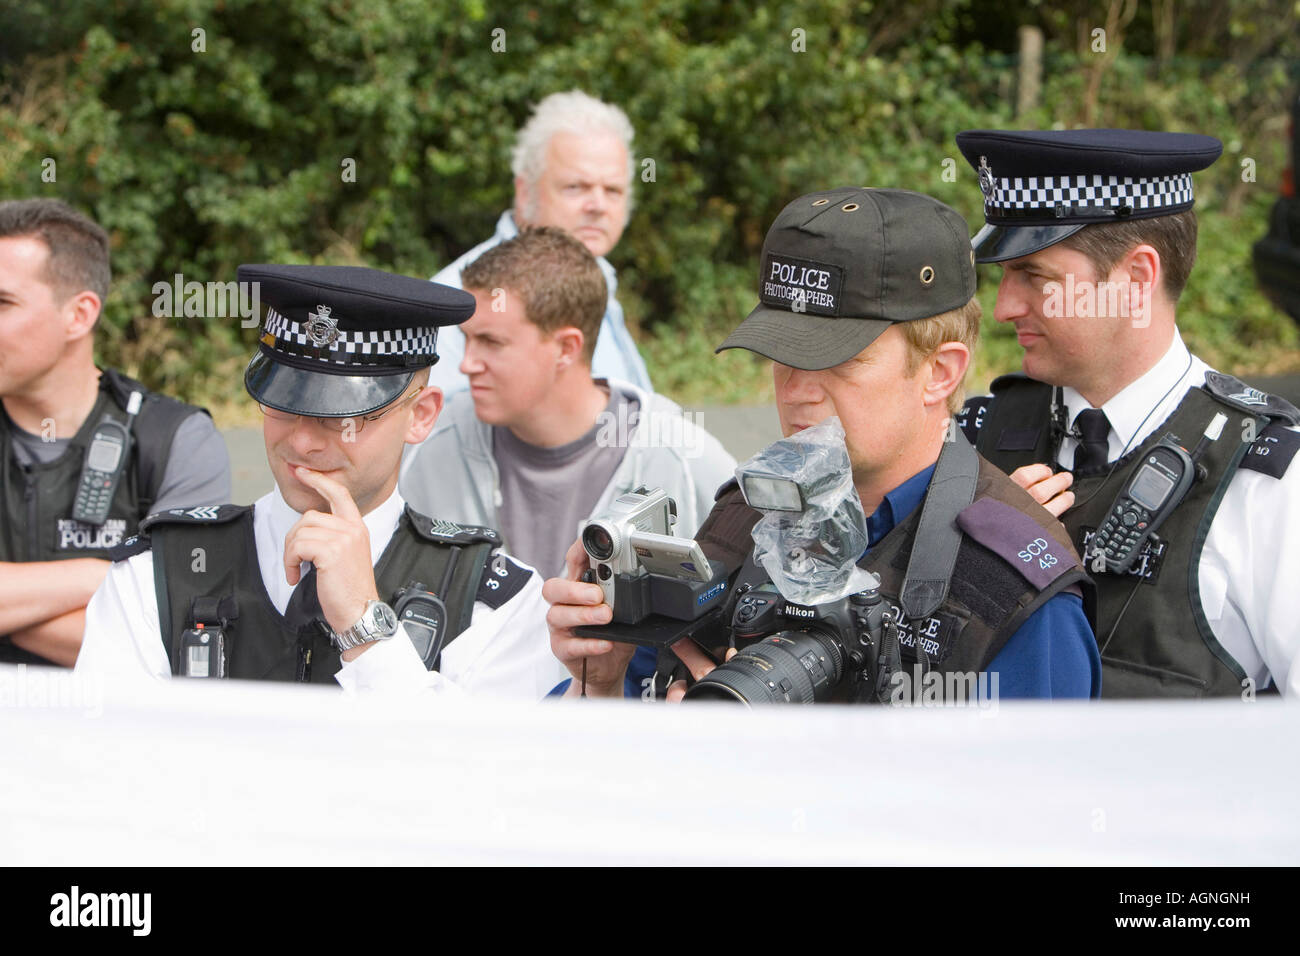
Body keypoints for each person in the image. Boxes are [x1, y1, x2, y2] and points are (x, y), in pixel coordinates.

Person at [545, 187, 1101, 703]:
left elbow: (1044, 802)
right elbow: (597, 775)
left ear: (939, 372)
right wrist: (600, 681)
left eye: (838, 360)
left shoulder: (1008, 590)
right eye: (779, 354)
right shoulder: (743, 519)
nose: (798, 390)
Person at [76, 264, 565, 698]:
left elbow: (479, 777)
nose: (303, 442)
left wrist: (366, 630)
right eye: (283, 404)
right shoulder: (157, 571)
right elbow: (110, 764)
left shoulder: (488, 594)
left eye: (340, 416)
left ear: (421, 415)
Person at [954, 129, 1300, 698]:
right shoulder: (975, 440)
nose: (1003, 308)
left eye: (1035, 277)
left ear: (1135, 279)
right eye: (1004, 276)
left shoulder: (1265, 485)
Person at [401, 226, 734, 582]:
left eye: (491, 342)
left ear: (566, 348)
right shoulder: (429, 446)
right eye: (467, 339)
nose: (466, 363)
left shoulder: (681, 460)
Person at [0, 198, 229, 668]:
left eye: (3, 303)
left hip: (109, 738)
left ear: (79, 314)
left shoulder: (176, 440)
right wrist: (100, 576)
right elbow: (136, 622)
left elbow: (177, 640)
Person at [426, 90, 652, 395]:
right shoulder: (458, 302)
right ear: (525, 192)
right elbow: (427, 433)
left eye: (613, 190)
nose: (598, 205)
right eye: (576, 187)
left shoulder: (599, 279)